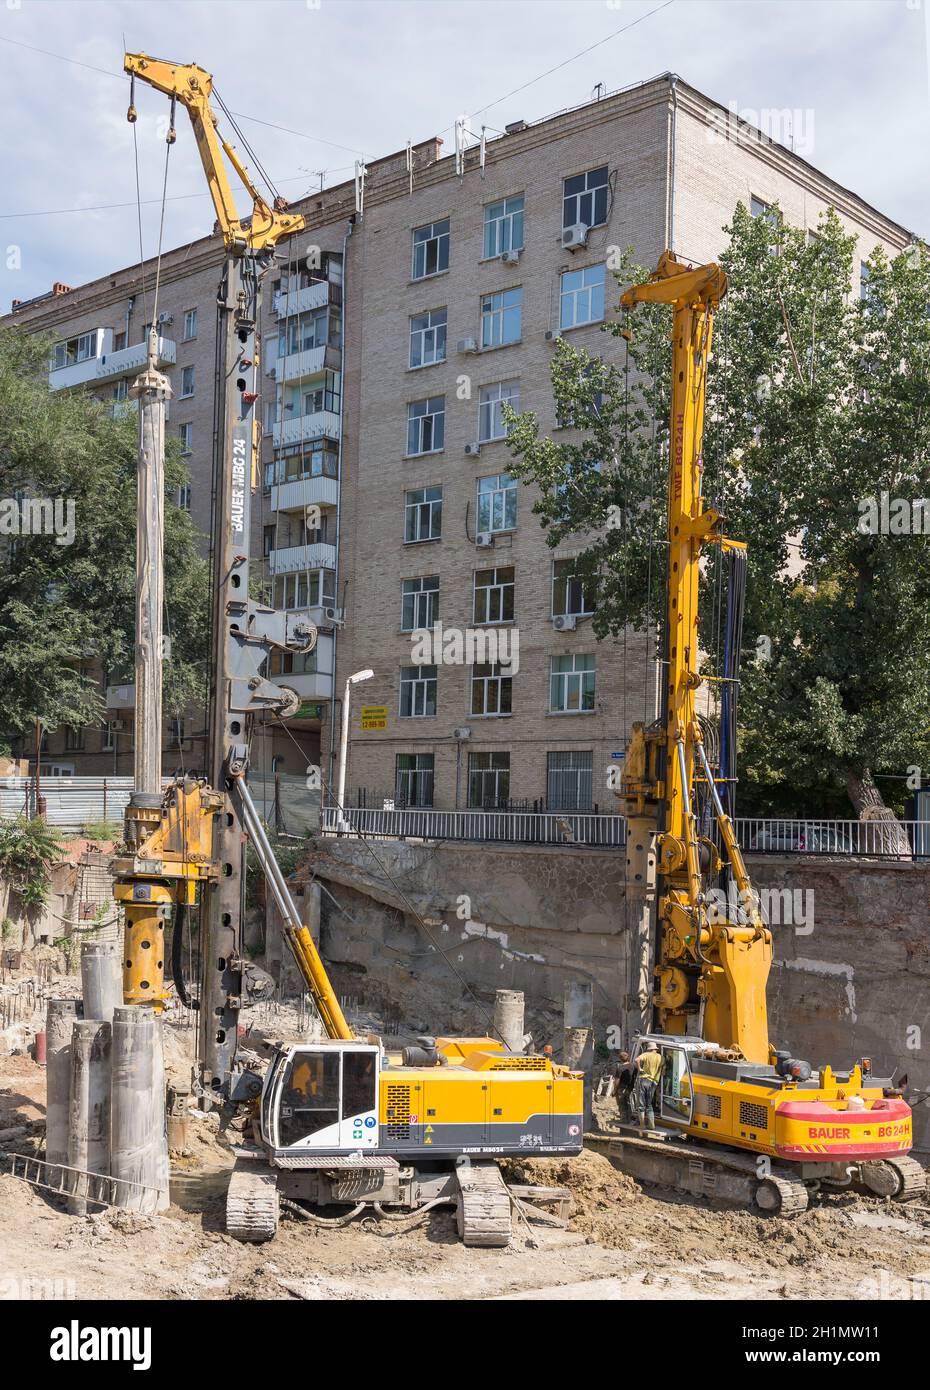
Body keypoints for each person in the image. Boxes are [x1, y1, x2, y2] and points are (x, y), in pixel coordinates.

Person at [635, 1042, 663, 1133]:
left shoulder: (646, 1054)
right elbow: (663, 1071)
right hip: (654, 1082)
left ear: (649, 1049)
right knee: (649, 1104)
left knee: (641, 1103)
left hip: (644, 1080)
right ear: (655, 1048)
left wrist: (640, 1069)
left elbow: (636, 1059)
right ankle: (651, 1125)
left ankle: (642, 1125)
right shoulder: (661, 1057)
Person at [614, 1051, 636, 1125]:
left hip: (622, 1088)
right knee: (630, 1104)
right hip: (630, 1088)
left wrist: (615, 1090)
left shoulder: (620, 1068)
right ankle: (631, 1119)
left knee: (622, 1104)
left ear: (620, 1059)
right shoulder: (633, 1066)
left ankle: (624, 1119)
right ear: (628, 1058)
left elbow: (617, 1081)